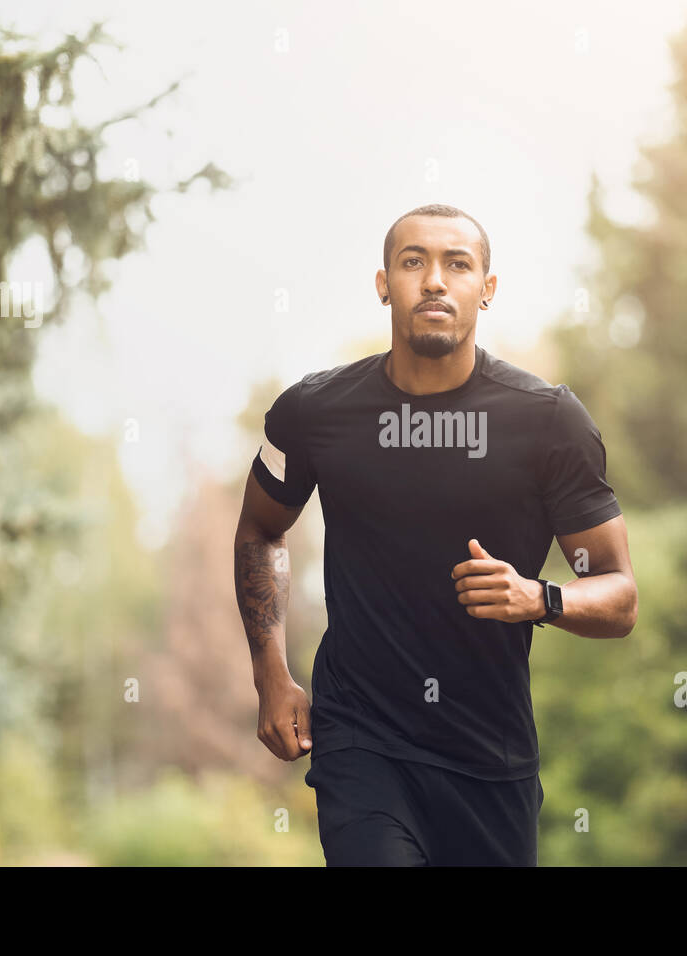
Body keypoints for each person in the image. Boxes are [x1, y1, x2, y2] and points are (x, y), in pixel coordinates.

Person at [233, 203, 638, 866]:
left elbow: (619, 596)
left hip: (489, 757)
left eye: (457, 263)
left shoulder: (547, 422)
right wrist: (270, 675)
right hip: (363, 740)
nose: (434, 281)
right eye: (413, 261)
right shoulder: (315, 413)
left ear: (487, 287)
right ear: (383, 282)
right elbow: (260, 528)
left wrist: (540, 598)